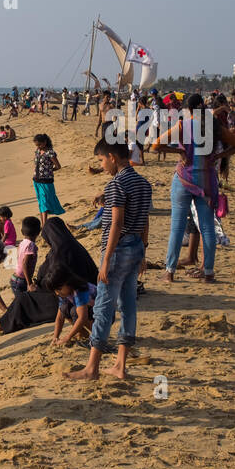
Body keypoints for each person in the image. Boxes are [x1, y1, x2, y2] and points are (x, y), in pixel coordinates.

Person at [65, 129, 152, 382]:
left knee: (103, 307)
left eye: (102, 161)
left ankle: (92, 368)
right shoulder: (143, 183)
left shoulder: (116, 183)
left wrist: (105, 259)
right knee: (128, 306)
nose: (101, 166)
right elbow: (144, 219)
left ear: (113, 157)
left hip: (118, 250)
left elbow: (115, 223)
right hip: (136, 246)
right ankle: (120, 366)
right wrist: (143, 252)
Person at [153, 93, 226, 283]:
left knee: (177, 228)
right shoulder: (213, 126)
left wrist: (178, 151)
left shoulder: (183, 125)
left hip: (184, 179)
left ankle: (169, 272)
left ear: (187, 109)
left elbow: (155, 145)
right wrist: (218, 157)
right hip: (206, 180)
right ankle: (208, 272)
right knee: (207, 227)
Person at [48, 266, 95, 347]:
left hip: (102, 317)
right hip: (88, 313)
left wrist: (67, 337)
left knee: (74, 311)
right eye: (55, 290)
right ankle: (83, 333)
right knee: (64, 308)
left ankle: (96, 333)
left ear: (67, 282)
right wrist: (55, 337)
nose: (57, 293)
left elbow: (82, 317)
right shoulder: (64, 294)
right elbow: (59, 317)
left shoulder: (80, 290)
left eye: (59, 289)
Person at [32, 134, 64, 225]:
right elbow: (35, 163)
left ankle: (44, 224)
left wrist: (49, 170)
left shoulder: (50, 153)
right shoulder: (37, 151)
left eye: (39, 145)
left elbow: (58, 166)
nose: (38, 147)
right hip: (36, 180)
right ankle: (44, 224)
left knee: (45, 201)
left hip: (46, 181)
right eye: (36, 145)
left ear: (45, 142)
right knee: (41, 201)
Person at [11, 216, 41, 294]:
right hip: (21, 280)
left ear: (22, 231)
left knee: (21, 302)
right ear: (39, 232)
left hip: (16, 278)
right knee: (23, 303)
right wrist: (30, 283)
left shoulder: (22, 242)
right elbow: (25, 264)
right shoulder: (31, 245)